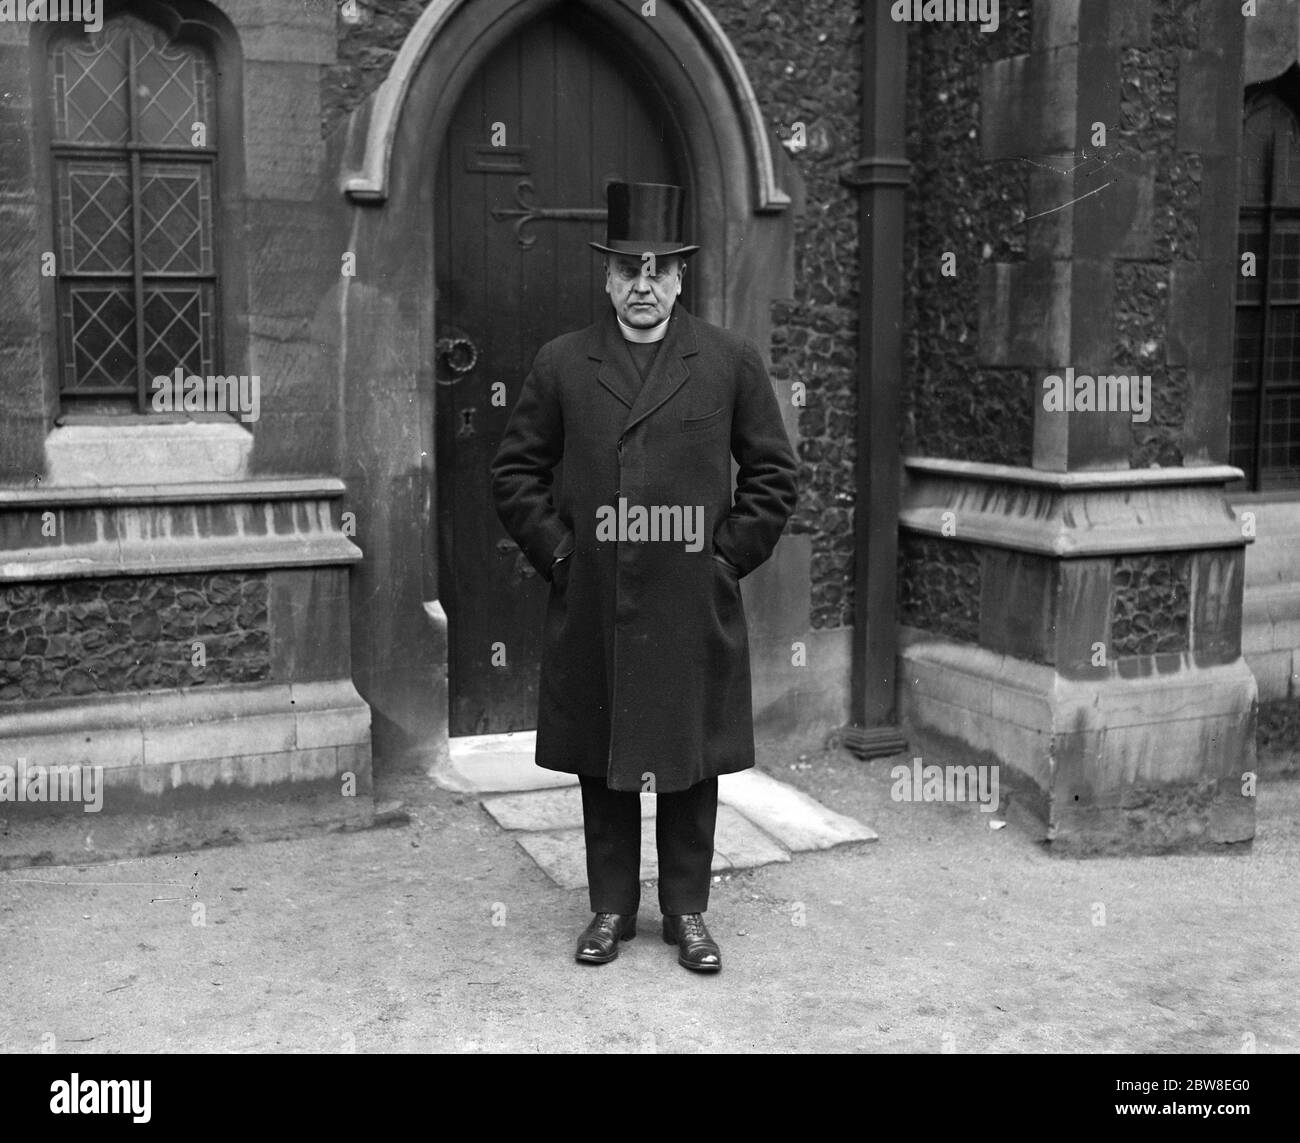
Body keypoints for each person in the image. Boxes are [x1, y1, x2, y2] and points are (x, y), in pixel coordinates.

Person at [491, 181, 798, 972]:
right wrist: (562, 555)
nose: (643, 285)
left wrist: (727, 560)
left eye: (659, 271)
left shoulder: (728, 361)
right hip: (597, 596)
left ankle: (688, 912)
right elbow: (515, 472)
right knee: (605, 757)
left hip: (691, 600)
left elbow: (773, 474)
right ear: (606, 276)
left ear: (681, 278)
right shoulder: (563, 363)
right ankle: (610, 907)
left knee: (691, 762)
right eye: (629, 269)